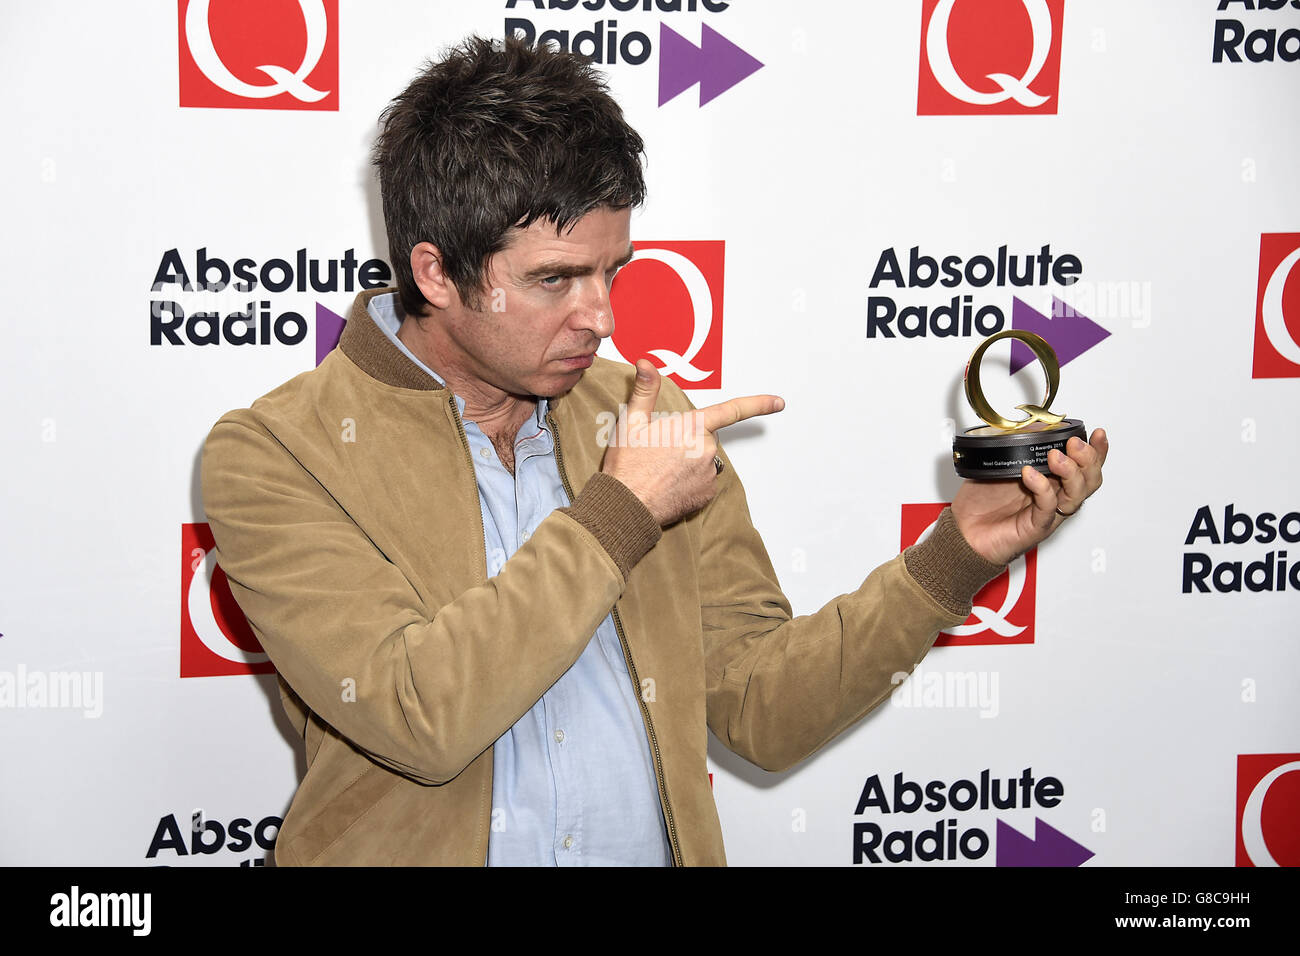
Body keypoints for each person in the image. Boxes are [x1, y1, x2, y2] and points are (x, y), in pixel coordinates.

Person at [200, 35, 1107, 866]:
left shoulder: (648, 418)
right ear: (435, 272)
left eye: (612, 272)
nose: (603, 317)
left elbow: (759, 709)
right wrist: (620, 511)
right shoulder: (276, 454)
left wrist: (957, 554)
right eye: (555, 279)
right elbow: (419, 713)